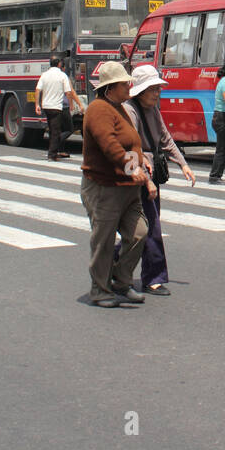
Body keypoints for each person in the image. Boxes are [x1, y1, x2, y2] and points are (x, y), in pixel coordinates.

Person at [81, 60, 156, 308]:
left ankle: (122, 281)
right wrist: (132, 167)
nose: (129, 85)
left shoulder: (121, 108)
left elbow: (132, 142)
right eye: (125, 83)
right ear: (111, 87)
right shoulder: (99, 109)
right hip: (105, 187)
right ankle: (100, 289)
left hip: (127, 187)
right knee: (103, 241)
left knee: (139, 233)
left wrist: (141, 167)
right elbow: (109, 146)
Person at [121, 64, 196, 296]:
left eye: (157, 88)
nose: (156, 93)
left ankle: (111, 262)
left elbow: (165, 139)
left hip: (151, 173)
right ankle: (153, 278)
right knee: (150, 226)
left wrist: (183, 164)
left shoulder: (153, 109)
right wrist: (146, 180)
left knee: (144, 228)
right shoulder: (129, 111)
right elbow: (130, 148)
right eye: (152, 89)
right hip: (136, 173)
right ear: (140, 91)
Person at [35, 55, 82, 160]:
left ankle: (54, 150)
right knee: (56, 131)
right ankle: (52, 154)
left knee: (53, 129)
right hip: (56, 106)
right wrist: (71, 105)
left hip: (46, 106)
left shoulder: (44, 75)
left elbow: (38, 89)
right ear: (59, 64)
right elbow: (68, 92)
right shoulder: (62, 75)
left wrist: (37, 105)